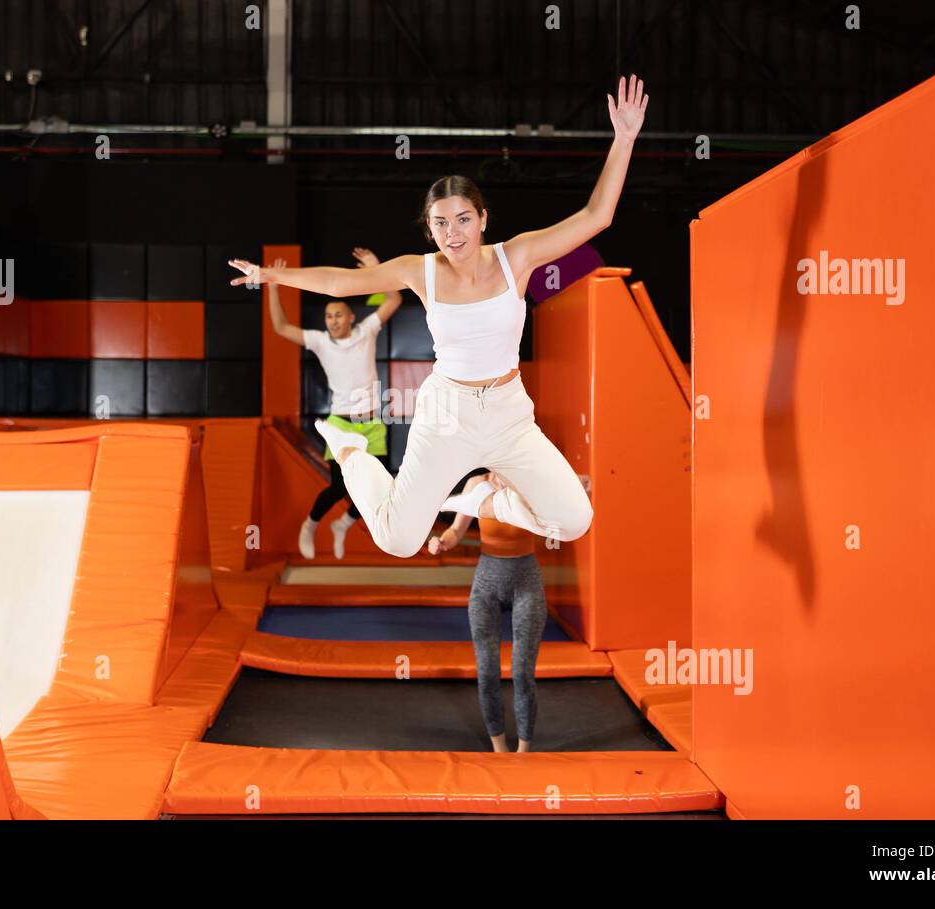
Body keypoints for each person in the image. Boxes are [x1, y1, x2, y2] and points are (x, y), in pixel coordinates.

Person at [231, 75, 649, 559]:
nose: (454, 233)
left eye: (464, 219)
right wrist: (271, 276)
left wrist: (624, 139)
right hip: (447, 413)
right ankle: (349, 450)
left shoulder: (517, 257)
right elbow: (343, 284)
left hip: (509, 413)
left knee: (574, 520)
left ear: (483, 219)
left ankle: (483, 499)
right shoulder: (420, 271)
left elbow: (596, 216)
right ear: (429, 229)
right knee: (398, 540)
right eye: (441, 222)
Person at [265, 250, 402, 559]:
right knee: (340, 486)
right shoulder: (319, 340)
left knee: (381, 483)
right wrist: (273, 286)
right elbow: (281, 328)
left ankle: (343, 523)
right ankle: (311, 525)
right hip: (340, 422)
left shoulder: (366, 331)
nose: (333, 320)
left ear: (351, 317)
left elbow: (393, 300)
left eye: (339, 314)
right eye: (328, 316)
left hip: (371, 421)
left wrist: (374, 269)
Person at [429, 472, 546, 752]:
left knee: (522, 671)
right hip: (487, 581)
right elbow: (457, 530)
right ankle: (500, 749)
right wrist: (443, 540)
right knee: (487, 671)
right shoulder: (476, 485)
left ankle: (524, 751)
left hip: (525, 579)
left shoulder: (529, 480)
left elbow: (549, 522)